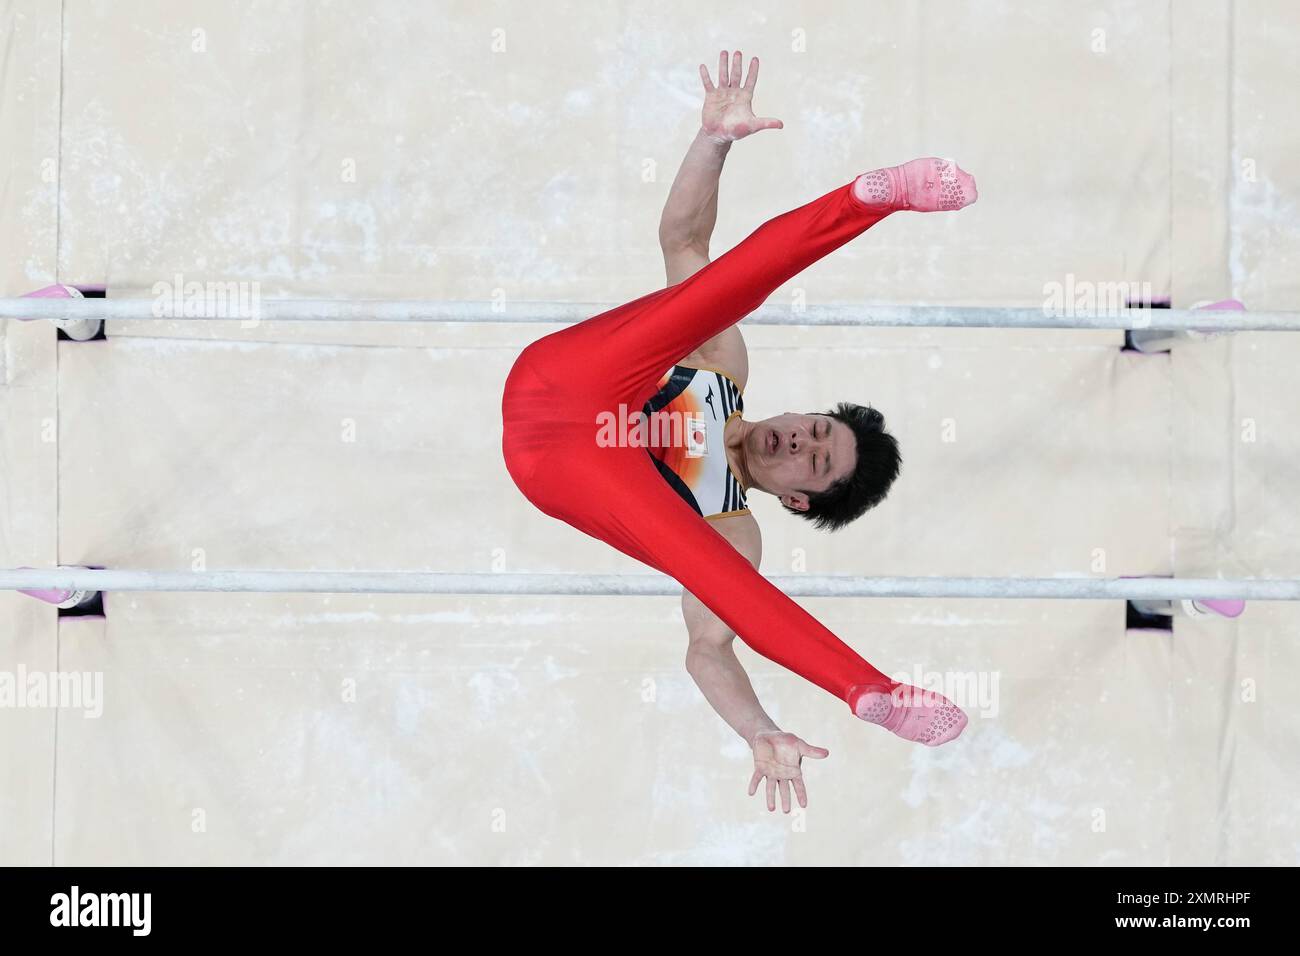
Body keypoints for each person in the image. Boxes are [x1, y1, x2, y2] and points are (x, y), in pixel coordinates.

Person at [502, 51, 977, 812]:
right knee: (715, 292)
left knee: (731, 583)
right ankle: (872, 197)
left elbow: (706, 651)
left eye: (815, 462)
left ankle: (868, 693)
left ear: (796, 500)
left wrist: (758, 728)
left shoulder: (734, 529)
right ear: (803, 411)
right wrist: (712, 143)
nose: (800, 441)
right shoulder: (722, 366)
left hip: (558, 469)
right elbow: (684, 239)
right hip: (570, 378)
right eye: (816, 429)